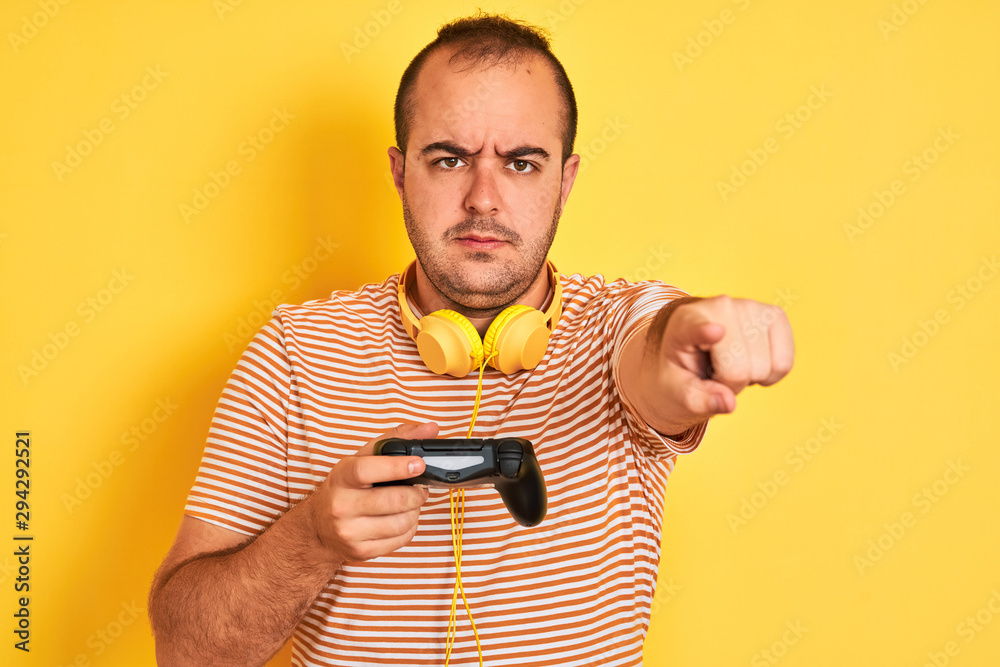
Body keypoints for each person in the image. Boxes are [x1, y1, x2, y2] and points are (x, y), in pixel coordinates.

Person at [148, 12, 794, 667]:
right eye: (449, 158)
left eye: (520, 163)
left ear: (564, 181)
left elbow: (658, 351)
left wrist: (690, 338)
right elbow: (187, 653)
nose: (483, 199)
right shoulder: (293, 352)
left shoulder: (613, 326)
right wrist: (310, 539)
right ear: (401, 173)